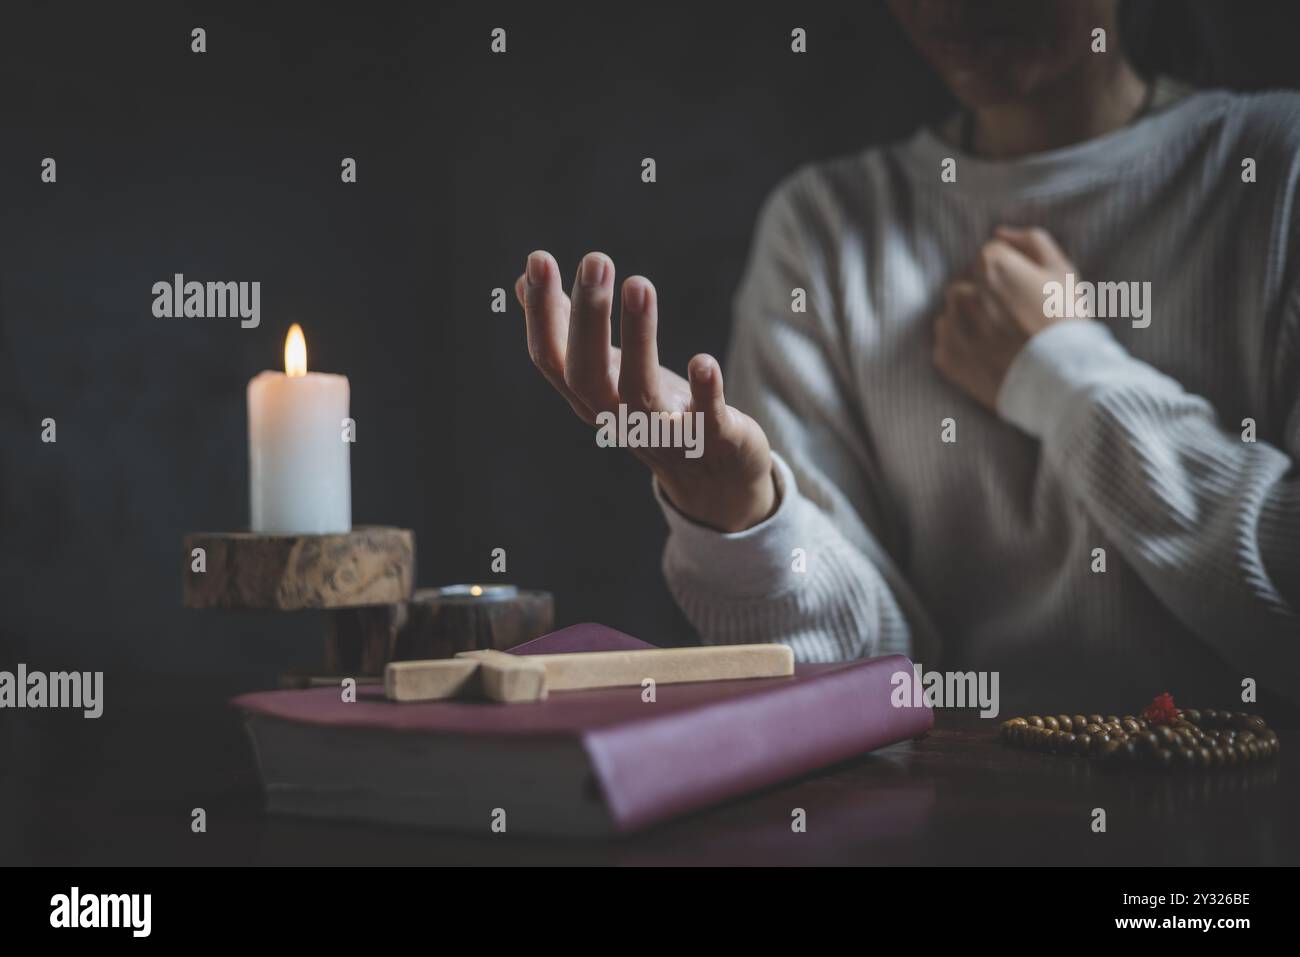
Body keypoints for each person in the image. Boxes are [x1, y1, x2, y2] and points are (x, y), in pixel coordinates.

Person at [514, 0, 1299, 712]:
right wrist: (744, 517)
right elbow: (875, 688)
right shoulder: (822, 230)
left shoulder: (1278, 169)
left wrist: (1065, 376)